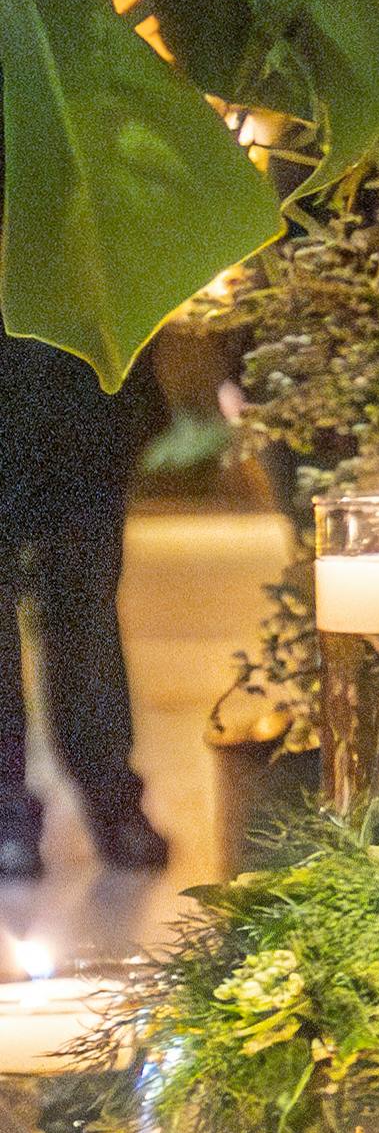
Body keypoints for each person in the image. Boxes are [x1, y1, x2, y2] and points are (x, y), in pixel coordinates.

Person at [0, 333, 165, 880]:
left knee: (85, 612)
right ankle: (9, 810)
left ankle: (110, 795)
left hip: (82, 406)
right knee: (79, 614)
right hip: (74, 393)